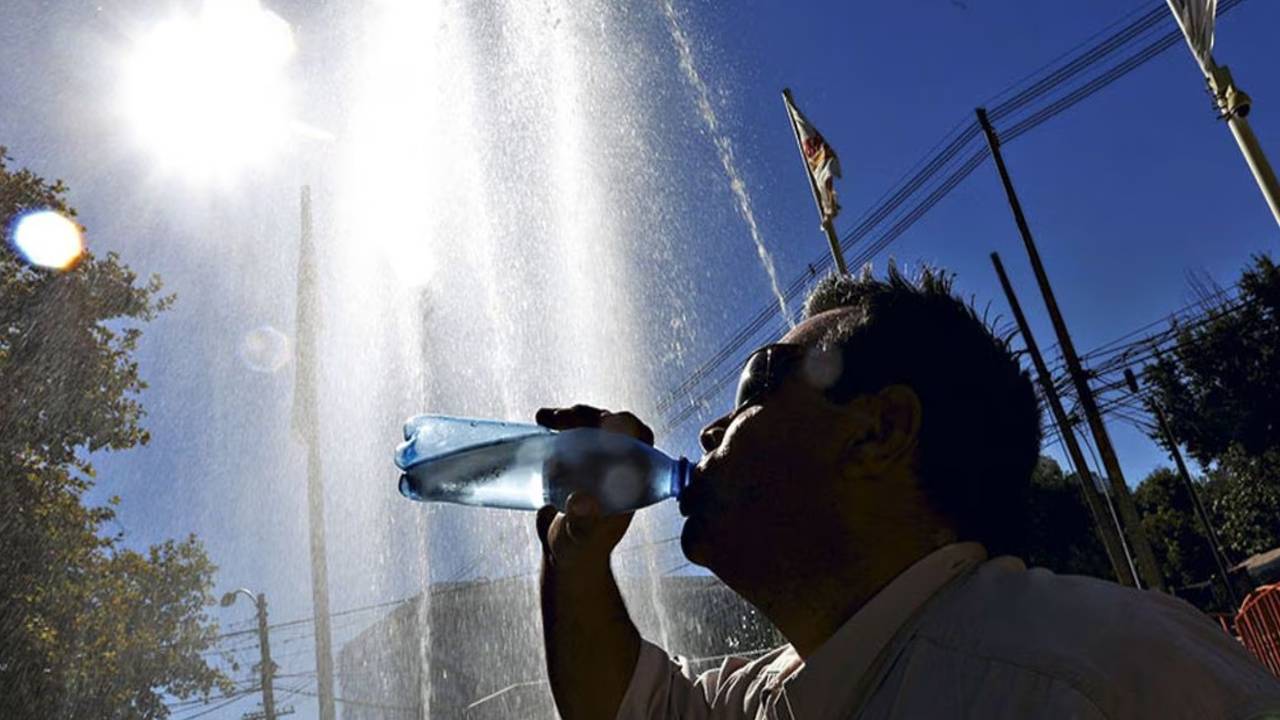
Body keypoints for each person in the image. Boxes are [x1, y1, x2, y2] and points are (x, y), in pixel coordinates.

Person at [534, 264, 1280, 720]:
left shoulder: (1108, 673)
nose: (711, 430)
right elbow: (627, 706)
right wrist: (575, 553)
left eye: (760, 378)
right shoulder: (789, 690)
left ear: (878, 431)